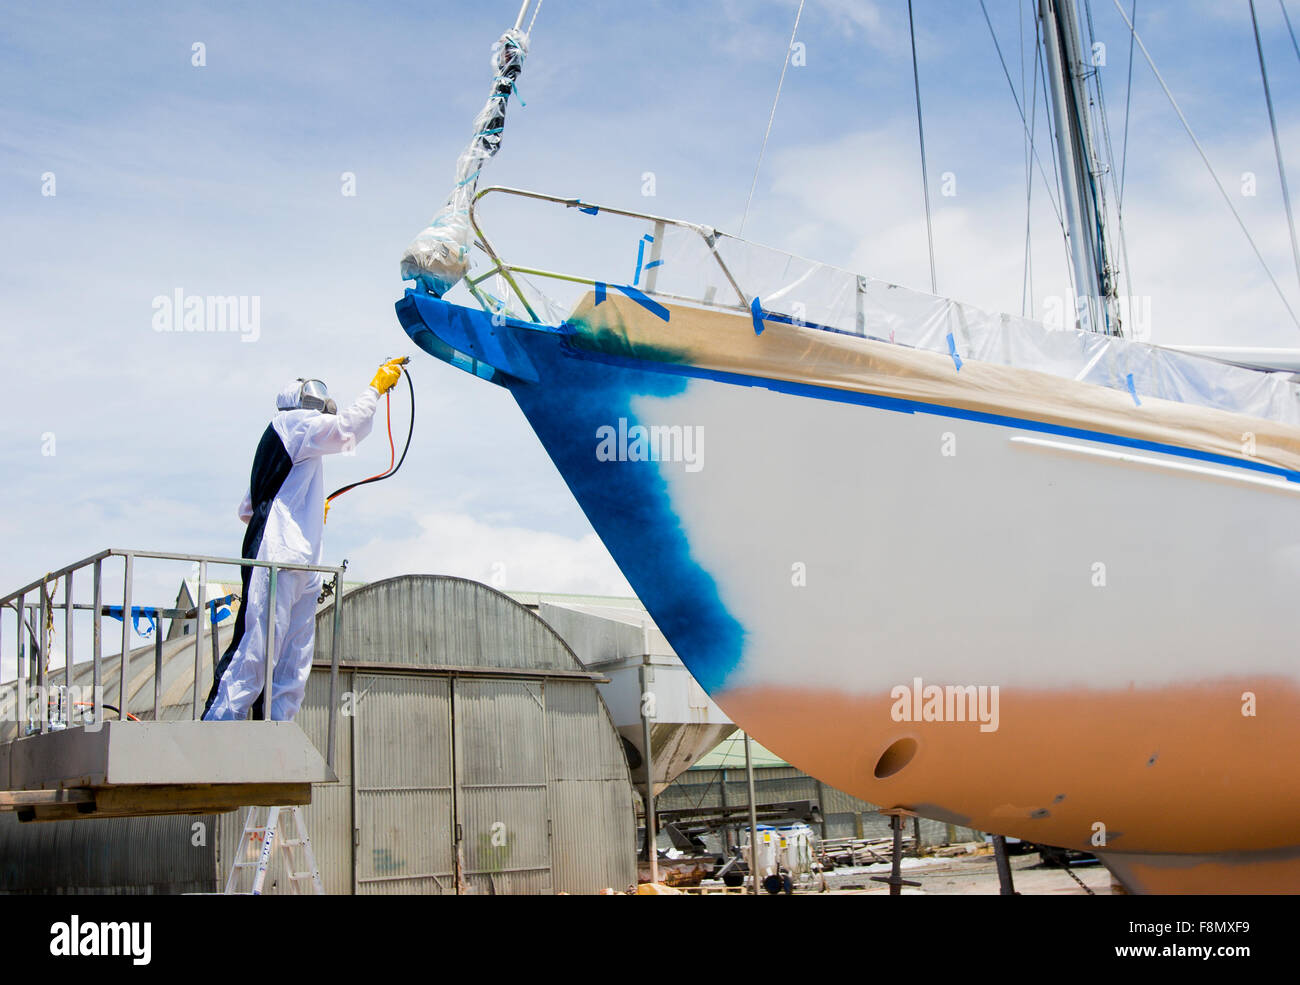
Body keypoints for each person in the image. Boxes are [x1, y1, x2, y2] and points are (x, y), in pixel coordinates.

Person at [202, 360, 405, 722]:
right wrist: (376, 386)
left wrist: (300, 507)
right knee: (258, 649)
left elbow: (248, 508)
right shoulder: (292, 422)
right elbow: (348, 430)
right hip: (280, 558)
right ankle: (217, 726)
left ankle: (277, 733)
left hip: (299, 560)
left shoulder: (286, 441)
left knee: (294, 657)